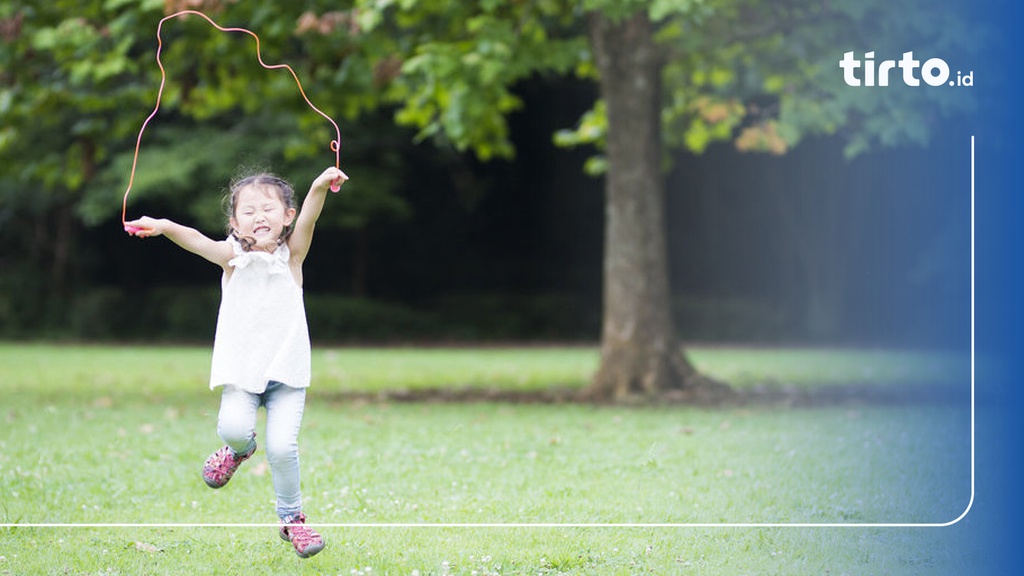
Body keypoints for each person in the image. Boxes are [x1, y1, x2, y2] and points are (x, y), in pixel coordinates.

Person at [126, 166, 348, 559]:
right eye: (248, 211)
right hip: (243, 374)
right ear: (233, 221)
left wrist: (318, 186)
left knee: (283, 449)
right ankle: (239, 450)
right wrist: (163, 225)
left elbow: (313, 215)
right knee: (233, 428)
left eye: (268, 208)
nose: (258, 216)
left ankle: (292, 520)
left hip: (287, 375)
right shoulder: (232, 259)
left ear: (287, 217)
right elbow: (195, 240)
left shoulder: (292, 257)